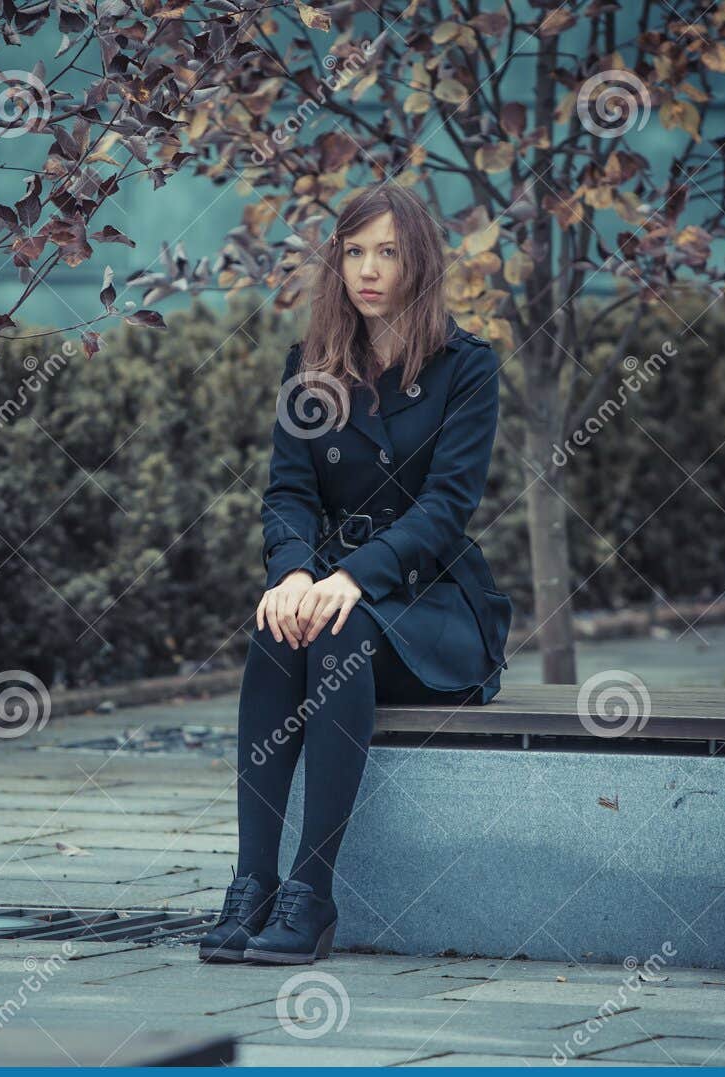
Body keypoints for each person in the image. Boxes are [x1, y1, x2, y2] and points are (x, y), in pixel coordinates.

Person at [199, 184, 511, 966]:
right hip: (337, 593)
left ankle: (312, 892)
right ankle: (253, 884)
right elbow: (288, 493)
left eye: (388, 252)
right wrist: (294, 573)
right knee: (278, 628)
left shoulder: (466, 367)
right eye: (354, 251)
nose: (368, 270)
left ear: (419, 262)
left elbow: (446, 508)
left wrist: (353, 578)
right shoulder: (310, 366)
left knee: (340, 624)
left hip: (433, 606)